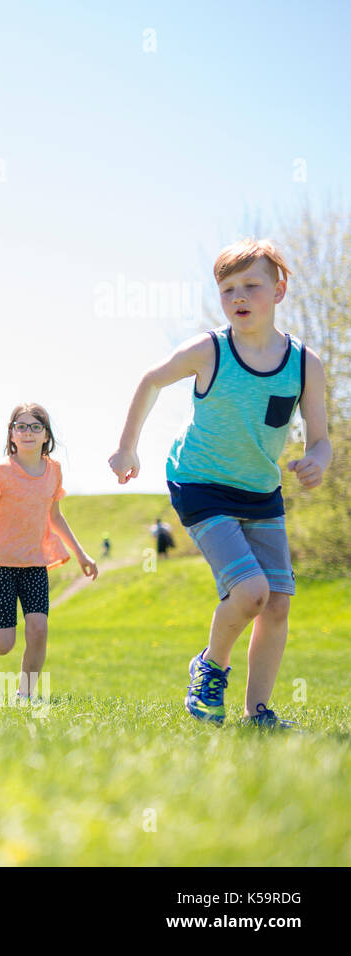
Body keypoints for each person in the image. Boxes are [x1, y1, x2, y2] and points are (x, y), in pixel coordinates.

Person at [109, 238, 330, 729]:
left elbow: (321, 440)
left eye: (251, 285)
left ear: (280, 290)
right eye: (228, 289)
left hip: (261, 492)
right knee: (251, 591)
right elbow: (150, 380)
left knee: (277, 604)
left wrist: (317, 460)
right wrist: (128, 447)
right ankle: (210, 668)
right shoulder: (210, 350)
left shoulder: (304, 364)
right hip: (200, 484)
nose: (239, 296)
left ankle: (259, 712)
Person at [0, 403, 98, 699]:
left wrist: (82, 555)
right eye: (21, 426)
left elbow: (55, 517)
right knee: (5, 644)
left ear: (46, 435)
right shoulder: (0, 471)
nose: (28, 432)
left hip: (34, 563)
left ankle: (26, 695)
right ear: (12, 434)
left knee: (38, 630)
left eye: (36, 426)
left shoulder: (53, 471)